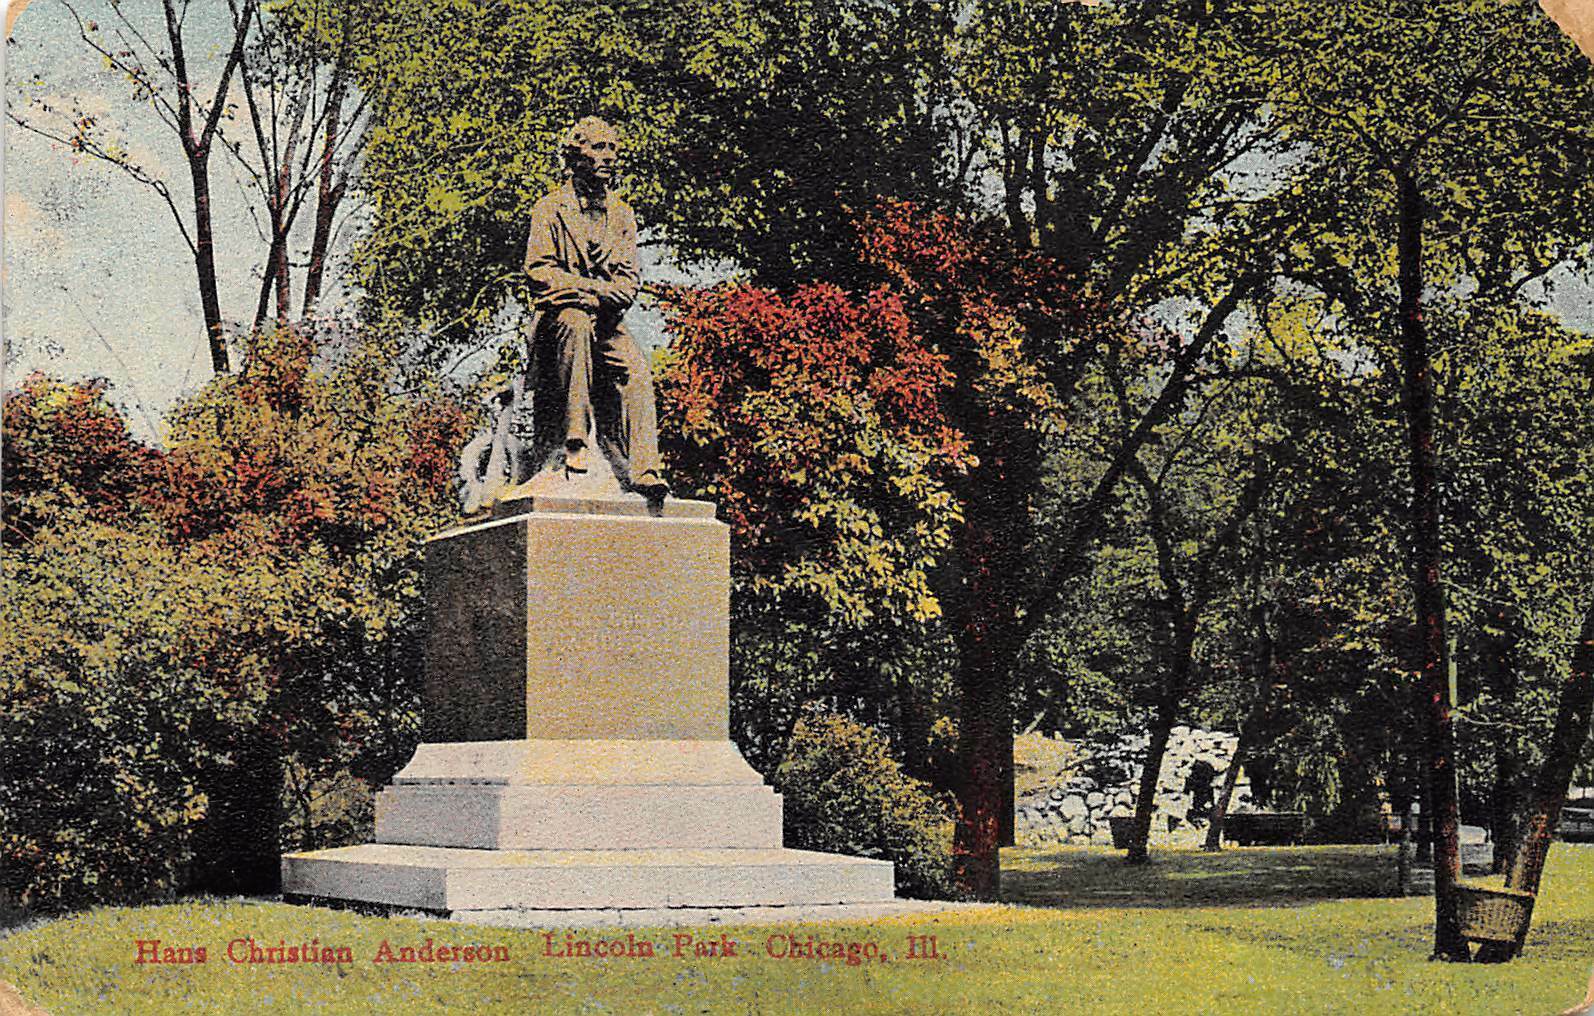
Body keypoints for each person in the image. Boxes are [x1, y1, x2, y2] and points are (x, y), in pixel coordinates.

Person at [522, 116, 666, 495]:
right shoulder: (550, 209)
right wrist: (591, 290)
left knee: (637, 368)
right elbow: (539, 272)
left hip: (605, 323)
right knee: (574, 321)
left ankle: (645, 469)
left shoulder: (622, 215)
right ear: (576, 154)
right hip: (559, 323)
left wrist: (588, 293)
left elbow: (628, 285)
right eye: (599, 148)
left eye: (613, 149)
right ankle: (576, 442)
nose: (609, 157)